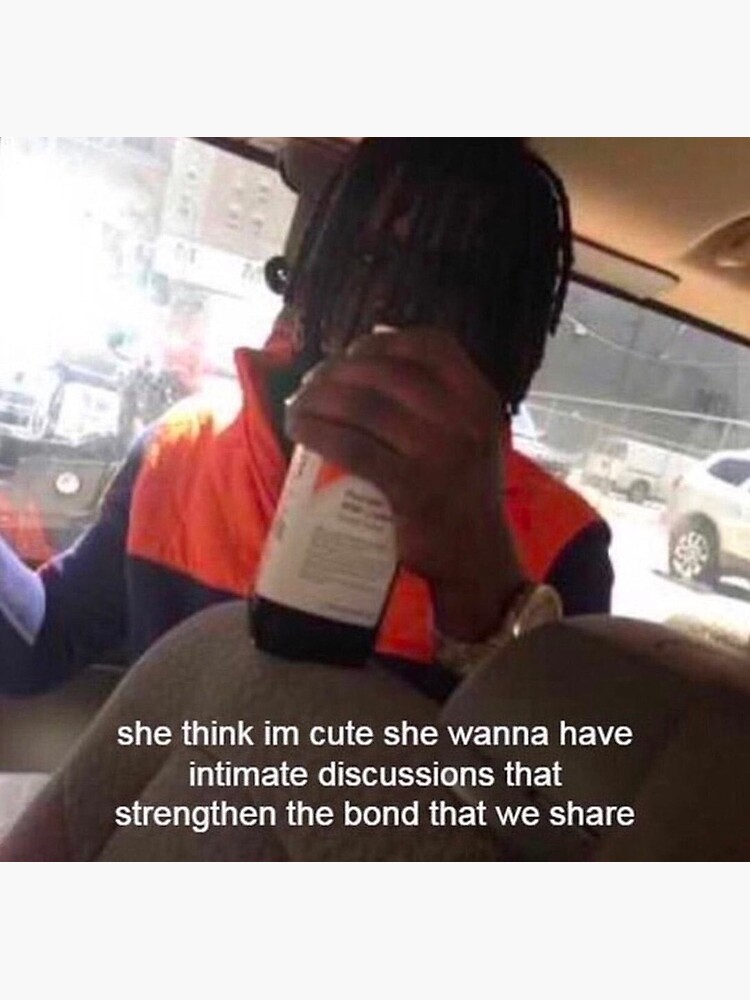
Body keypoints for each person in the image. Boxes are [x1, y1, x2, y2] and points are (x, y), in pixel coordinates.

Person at [0, 138, 613, 697]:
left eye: (452, 279)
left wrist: (483, 587)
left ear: (515, 324)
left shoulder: (563, 541)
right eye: (371, 258)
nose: (396, 300)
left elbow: (547, 777)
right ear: (319, 270)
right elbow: (41, 643)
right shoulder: (182, 448)